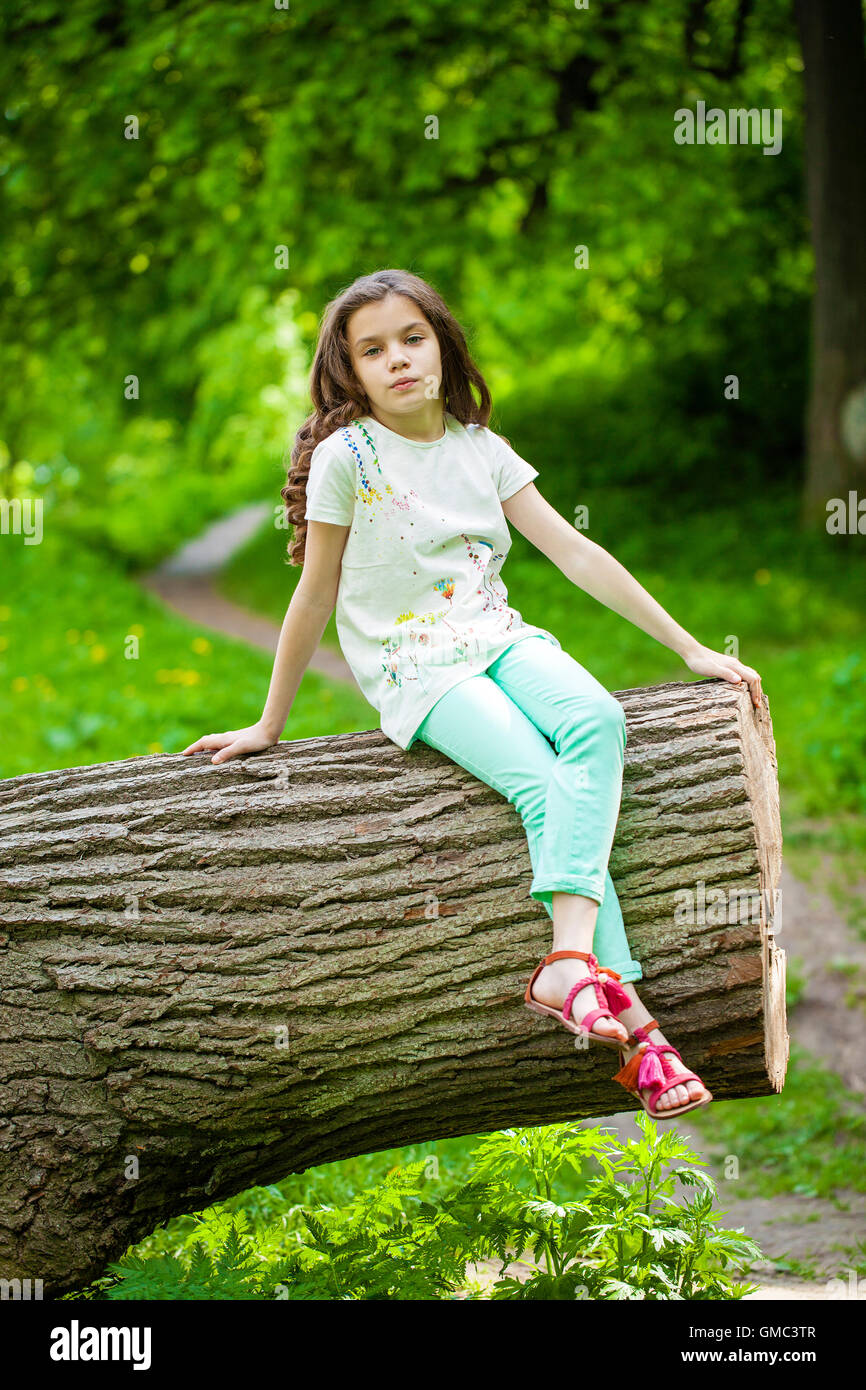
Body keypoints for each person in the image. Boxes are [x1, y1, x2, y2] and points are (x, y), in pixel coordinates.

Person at [182, 268, 763, 1121]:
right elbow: (313, 592)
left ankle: (572, 969)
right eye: (372, 350)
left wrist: (688, 648)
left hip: (497, 634)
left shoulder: (480, 450)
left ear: (443, 346)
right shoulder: (353, 457)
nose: (399, 361)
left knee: (597, 720)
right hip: (416, 664)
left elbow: (577, 554)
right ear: (349, 372)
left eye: (412, 339)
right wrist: (272, 722)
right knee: (541, 780)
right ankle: (634, 1027)